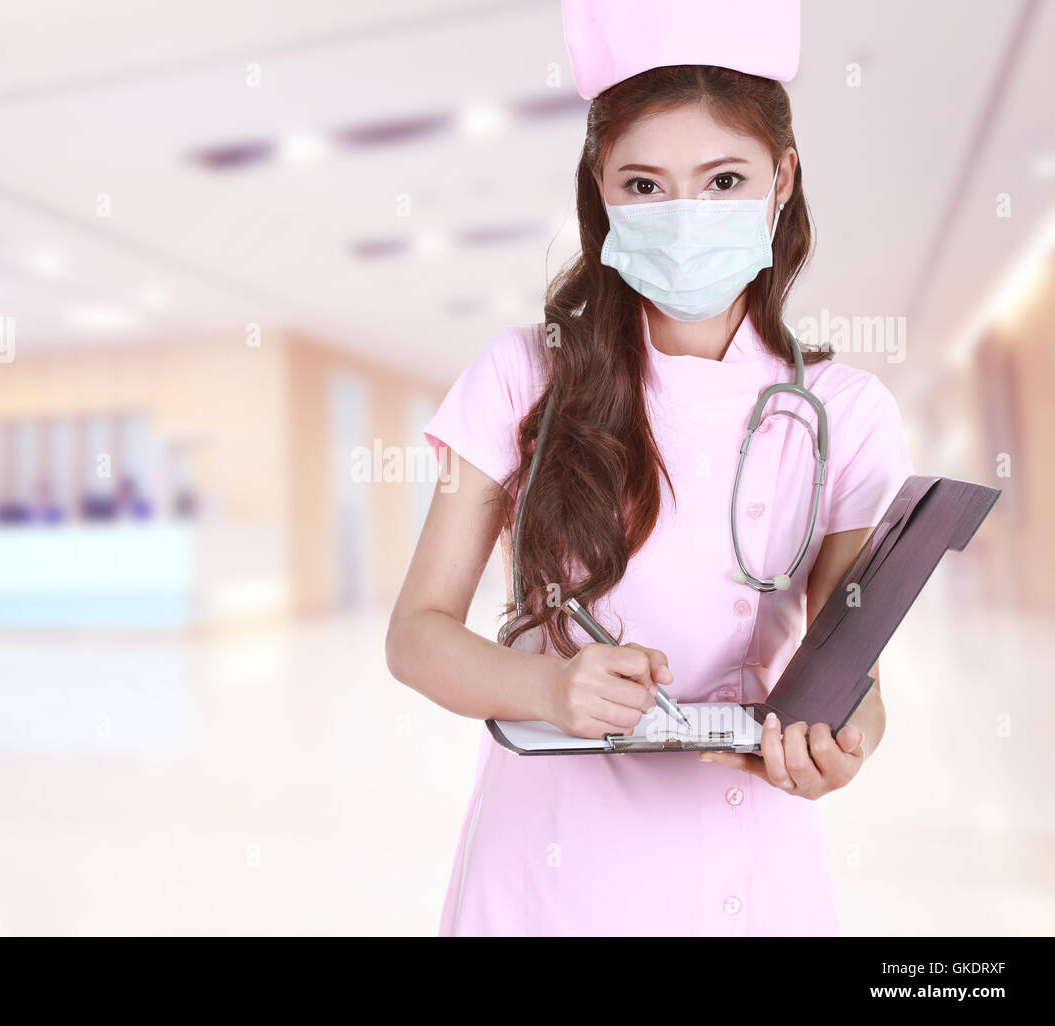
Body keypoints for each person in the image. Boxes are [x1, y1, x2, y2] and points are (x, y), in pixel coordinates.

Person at [385, 0, 914, 936]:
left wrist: (848, 741)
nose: (685, 218)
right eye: (644, 185)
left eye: (722, 180)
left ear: (781, 180)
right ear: (601, 189)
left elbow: (852, 666)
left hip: (749, 864)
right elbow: (417, 635)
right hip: (546, 871)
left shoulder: (846, 414)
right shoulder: (522, 375)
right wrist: (551, 687)